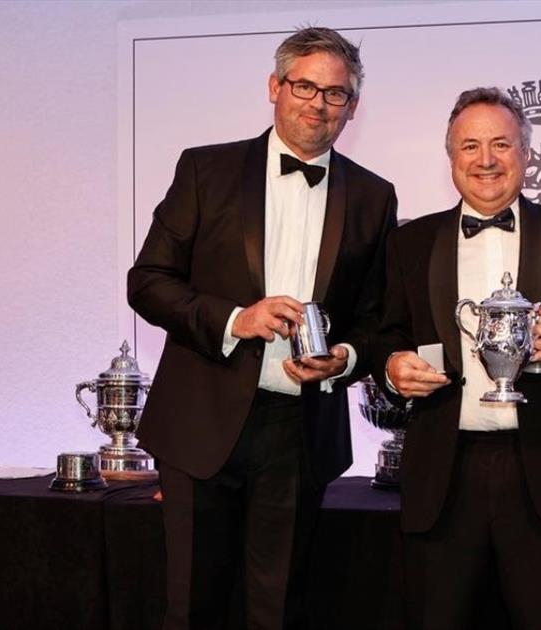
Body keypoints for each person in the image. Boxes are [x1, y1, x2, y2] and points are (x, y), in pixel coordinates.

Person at [128, 27, 397, 630]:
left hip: (301, 433)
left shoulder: (374, 196)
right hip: (200, 423)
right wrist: (235, 319)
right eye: (305, 86)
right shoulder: (205, 170)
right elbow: (147, 282)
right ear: (275, 87)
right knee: (191, 609)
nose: (318, 104)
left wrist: (346, 357)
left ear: (352, 106)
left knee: (278, 613)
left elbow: (380, 320)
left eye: (335, 93)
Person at [372, 87, 541, 630]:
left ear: (526, 153)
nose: (485, 160)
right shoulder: (409, 243)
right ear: (451, 157)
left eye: (501, 144)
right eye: (470, 146)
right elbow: (384, 335)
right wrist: (392, 366)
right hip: (443, 478)